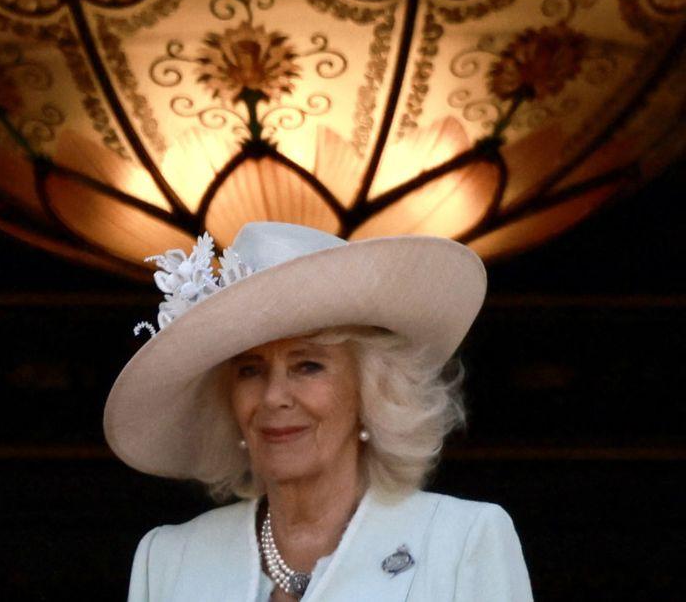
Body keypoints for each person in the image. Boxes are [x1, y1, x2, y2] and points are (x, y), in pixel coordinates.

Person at [105, 222, 532, 601]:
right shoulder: (169, 558)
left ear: (371, 390)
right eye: (250, 370)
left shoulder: (462, 541)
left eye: (307, 366)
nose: (274, 397)